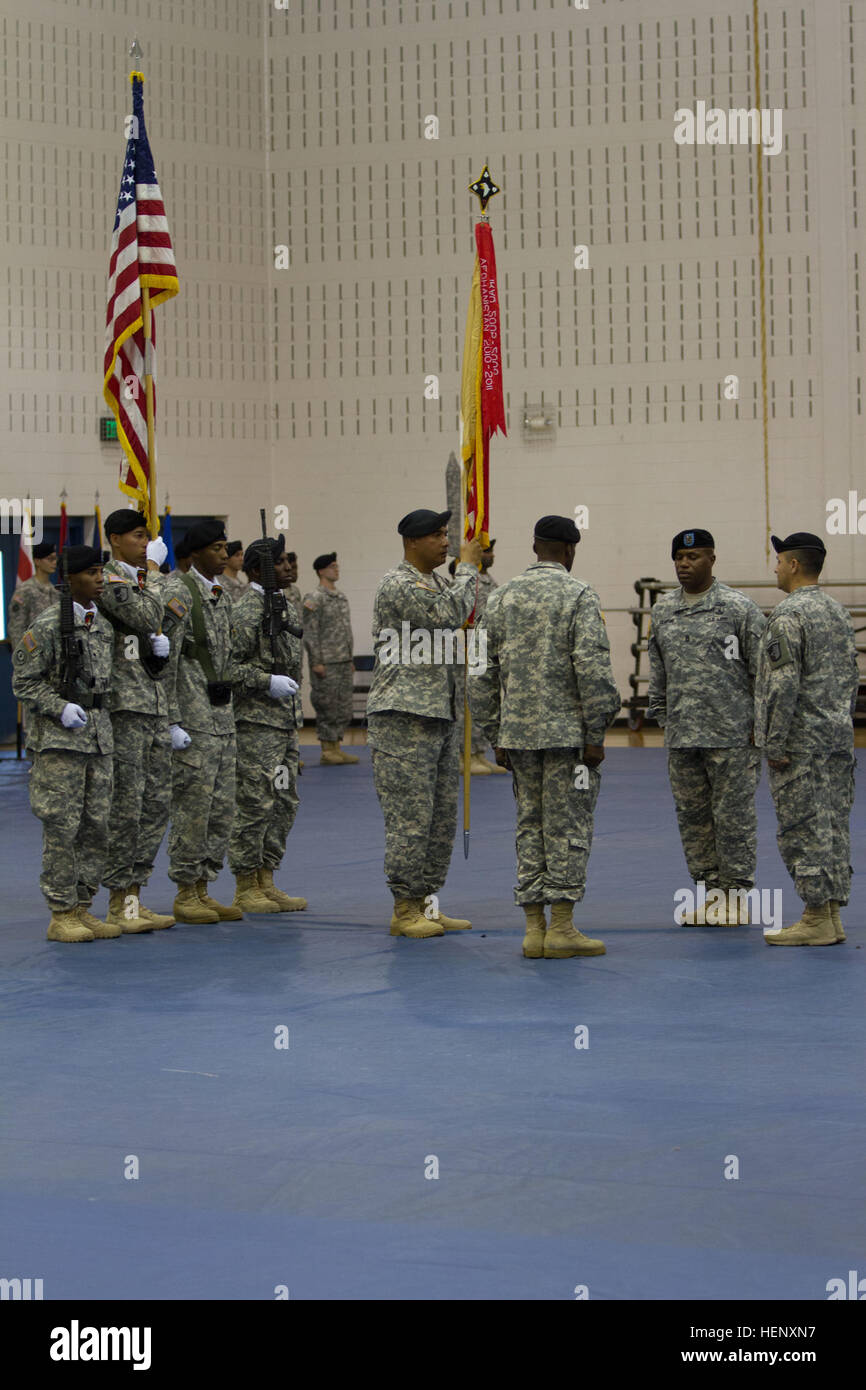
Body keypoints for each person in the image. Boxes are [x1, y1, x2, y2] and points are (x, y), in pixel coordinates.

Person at [470, 516, 620, 959]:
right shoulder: (578, 594)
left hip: (518, 736)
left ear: (535, 547)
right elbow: (592, 669)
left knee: (529, 825)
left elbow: (480, 673)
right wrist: (596, 731)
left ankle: (533, 929)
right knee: (568, 825)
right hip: (567, 738)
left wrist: (494, 733)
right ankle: (562, 927)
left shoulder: (500, 597)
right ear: (570, 551)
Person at [366, 509, 483, 938]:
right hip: (404, 717)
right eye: (437, 535)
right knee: (411, 818)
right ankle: (403, 909)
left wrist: (467, 573)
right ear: (412, 541)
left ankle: (427, 902)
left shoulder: (436, 582)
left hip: (439, 713)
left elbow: (466, 612)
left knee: (440, 818)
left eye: (447, 534)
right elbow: (447, 614)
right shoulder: (398, 584)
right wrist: (468, 567)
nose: (446, 541)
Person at [647, 528, 767, 926]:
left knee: (733, 819)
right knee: (694, 819)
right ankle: (711, 893)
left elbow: (762, 673)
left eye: (694, 557)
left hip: (732, 735)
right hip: (683, 737)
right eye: (679, 558)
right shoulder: (663, 611)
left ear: (712, 559)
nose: (685, 564)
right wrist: (664, 717)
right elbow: (659, 670)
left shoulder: (738, 608)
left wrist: (759, 725)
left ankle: (736, 896)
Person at [756, 532, 859, 947]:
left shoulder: (788, 615)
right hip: (837, 738)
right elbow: (851, 679)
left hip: (801, 741)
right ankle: (831, 914)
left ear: (794, 565)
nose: (775, 568)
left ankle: (815, 916)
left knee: (803, 827)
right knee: (833, 826)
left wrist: (774, 741)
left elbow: (782, 685)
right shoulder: (838, 612)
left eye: (779, 561)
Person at [11, 545, 118, 942]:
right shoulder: (47, 624)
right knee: (63, 827)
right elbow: (23, 680)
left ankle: (82, 906)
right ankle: (61, 913)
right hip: (60, 743)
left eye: (101, 572)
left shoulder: (102, 625)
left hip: (98, 739)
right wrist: (58, 707)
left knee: (96, 826)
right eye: (91, 573)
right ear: (69, 579)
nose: (100, 579)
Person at [160, 519, 242, 924]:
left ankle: (204, 887)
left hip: (221, 719)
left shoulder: (219, 593)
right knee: (193, 807)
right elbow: (167, 661)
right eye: (217, 548)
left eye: (226, 547)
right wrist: (172, 721)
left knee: (220, 809)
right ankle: (184, 891)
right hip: (192, 720)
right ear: (194, 553)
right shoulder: (178, 592)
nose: (225, 555)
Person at [97, 508, 175, 933]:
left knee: (153, 805)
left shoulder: (143, 581)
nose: (144, 543)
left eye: (147, 537)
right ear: (114, 540)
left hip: (155, 702)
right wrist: (153, 571)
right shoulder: (111, 580)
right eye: (137, 536)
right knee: (126, 807)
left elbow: (168, 622)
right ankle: (116, 902)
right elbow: (147, 617)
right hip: (125, 706)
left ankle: (135, 898)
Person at [227, 535, 306, 914]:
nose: (288, 566)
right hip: (256, 724)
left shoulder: (284, 606)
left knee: (284, 800)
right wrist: (264, 682)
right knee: (255, 802)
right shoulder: (246, 612)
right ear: (259, 570)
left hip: (284, 724)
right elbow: (229, 667)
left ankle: (266, 877)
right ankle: (245, 884)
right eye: (280, 561)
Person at [452, 540, 506, 776]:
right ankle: (464, 755)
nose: (492, 555)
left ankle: (479, 753)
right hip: (468, 648)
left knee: (484, 701)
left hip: (485, 648)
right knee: (466, 704)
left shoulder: (489, 581)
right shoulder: (465, 581)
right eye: (488, 551)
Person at [302, 552, 358, 765]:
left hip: (342, 660)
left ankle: (337, 746)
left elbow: (345, 631)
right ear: (321, 570)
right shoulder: (314, 598)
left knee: (342, 706)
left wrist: (349, 658)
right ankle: (327, 749)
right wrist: (316, 661)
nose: (337, 569)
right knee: (327, 705)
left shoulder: (341, 596)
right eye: (333, 566)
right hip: (325, 662)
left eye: (337, 566)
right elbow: (311, 632)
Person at [7, 541, 59, 649]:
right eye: (50, 559)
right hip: (33, 655)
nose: (54, 562)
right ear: (37, 561)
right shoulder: (25, 590)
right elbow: (17, 628)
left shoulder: (55, 591)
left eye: (55, 559)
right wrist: (24, 657)